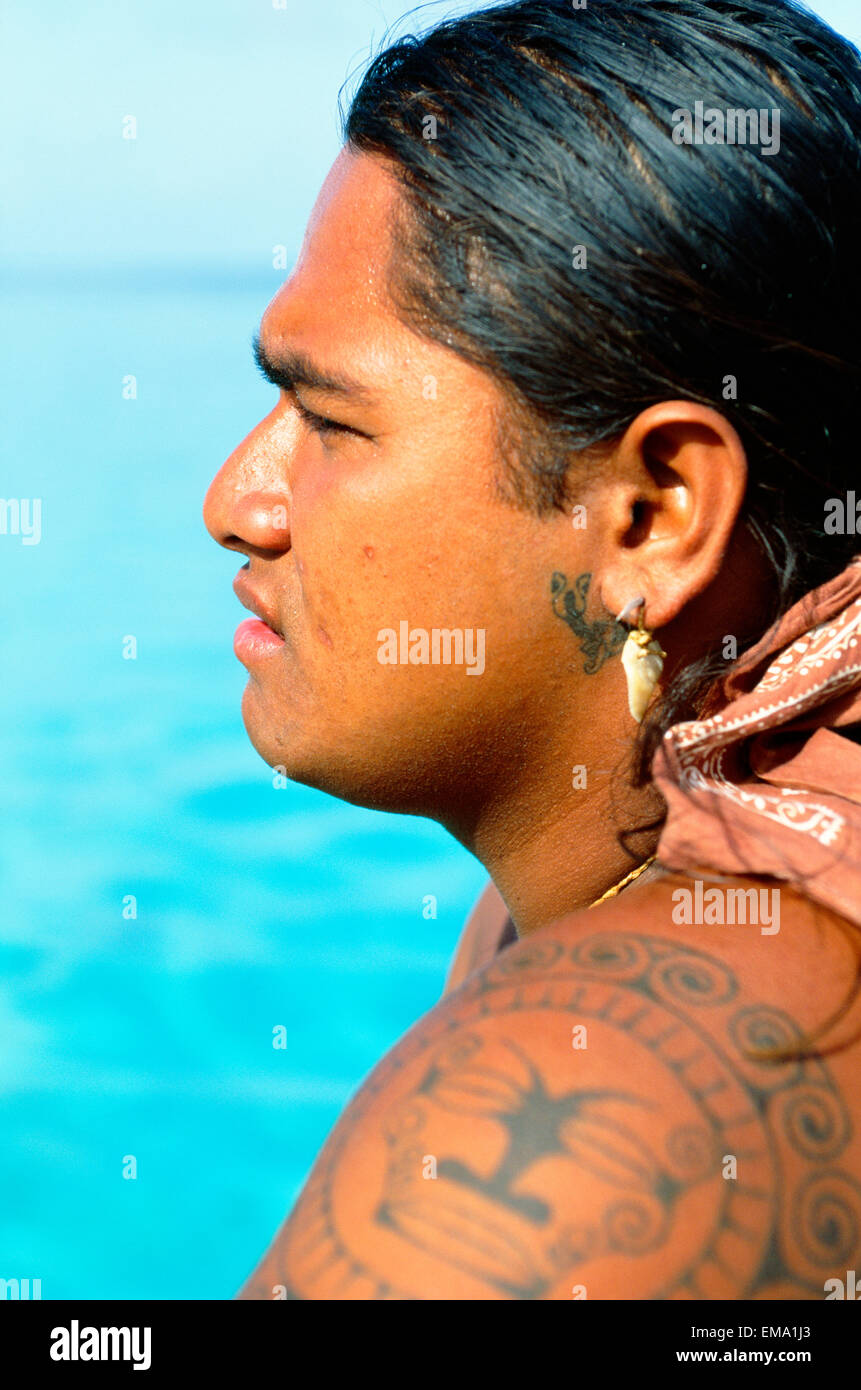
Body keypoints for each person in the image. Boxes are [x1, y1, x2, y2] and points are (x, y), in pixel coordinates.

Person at [203, 0, 861, 1299]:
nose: (237, 498)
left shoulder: (575, 1112)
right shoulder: (602, 882)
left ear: (650, 514)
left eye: (331, 421)